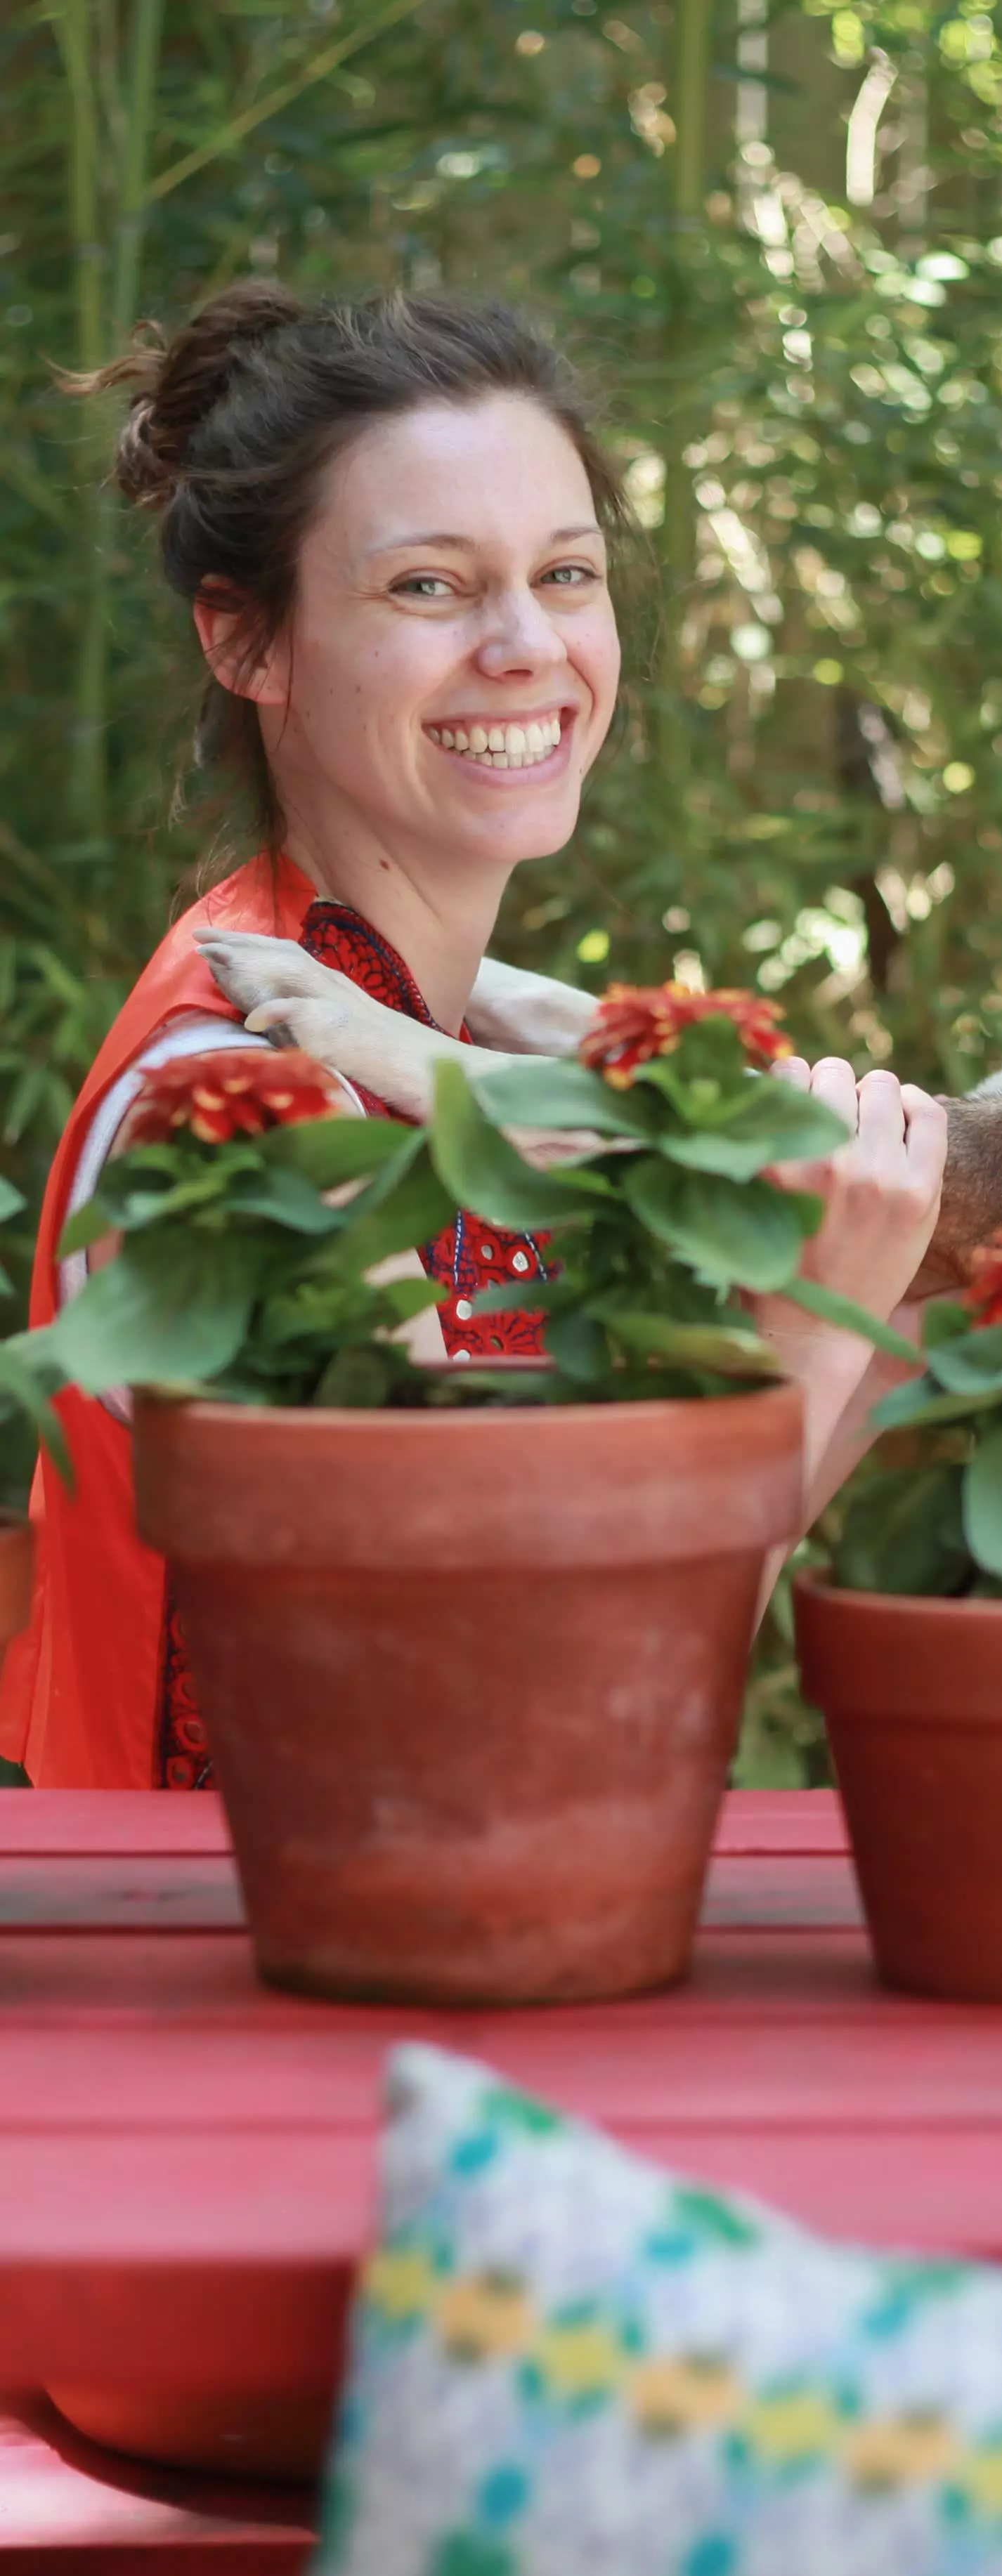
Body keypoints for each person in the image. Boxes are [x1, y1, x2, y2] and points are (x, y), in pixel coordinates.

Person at [1, 283, 944, 1791]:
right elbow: (529, 1733)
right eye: (429, 588)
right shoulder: (244, 1115)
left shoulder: (414, 1026)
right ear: (250, 643)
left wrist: (873, 1350)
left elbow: (652, 1633)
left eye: (563, 574)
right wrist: (814, 1324)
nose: (524, 646)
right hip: (222, 1983)